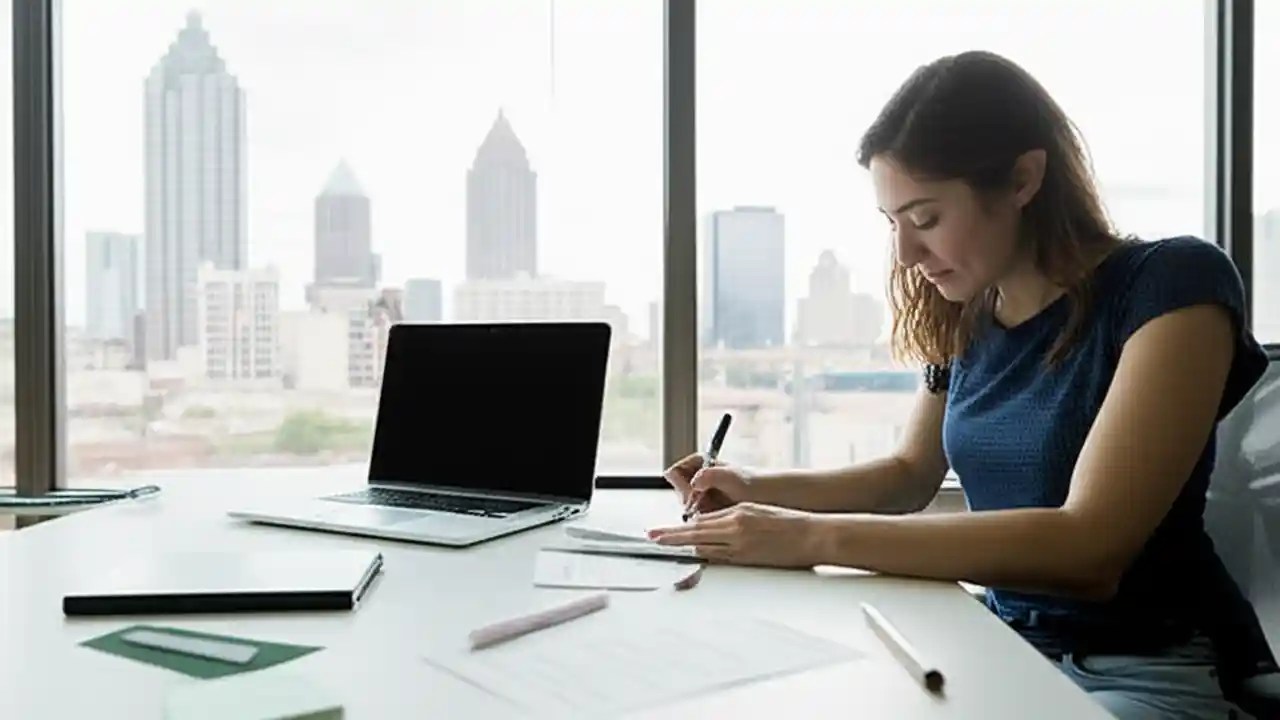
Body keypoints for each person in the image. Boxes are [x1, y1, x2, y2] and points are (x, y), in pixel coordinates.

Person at [649, 50, 1276, 720]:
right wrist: (752, 491)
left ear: (1023, 179)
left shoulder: (1173, 285)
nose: (906, 257)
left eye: (924, 220)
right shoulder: (971, 313)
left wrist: (808, 536)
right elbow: (908, 474)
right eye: (892, 224)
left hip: (1153, 669)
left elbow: (1089, 546)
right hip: (1001, 645)